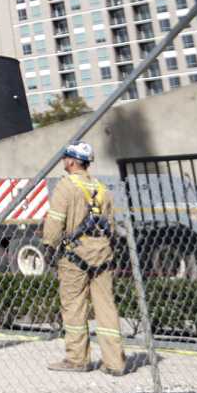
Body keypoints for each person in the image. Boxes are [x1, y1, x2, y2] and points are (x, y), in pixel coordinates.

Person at [42, 141, 126, 375]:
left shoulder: (66, 187)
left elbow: (56, 221)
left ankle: (77, 359)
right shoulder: (102, 188)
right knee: (106, 307)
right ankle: (115, 362)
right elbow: (110, 224)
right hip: (103, 255)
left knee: (74, 307)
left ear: (70, 161)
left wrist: (50, 246)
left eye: (65, 159)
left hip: (75, 256)